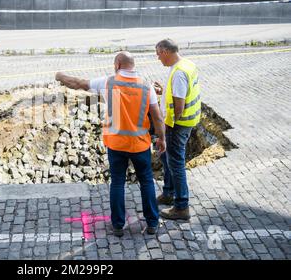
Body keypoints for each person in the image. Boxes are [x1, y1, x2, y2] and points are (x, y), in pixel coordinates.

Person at [55, 51, 166, 236]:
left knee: (117, 183)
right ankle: (152, 223)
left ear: (117, 65)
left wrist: (59, 75)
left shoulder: (109, 82)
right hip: (140, 145)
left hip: (116, 144)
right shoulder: (147, 86)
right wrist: (162, 138)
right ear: (133, 65)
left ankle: (117, 225)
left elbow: (79, 83)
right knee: (146, 181)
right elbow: (157, 117)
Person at [154, 39, 201, 220]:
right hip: (185, 123)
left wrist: (166, 127)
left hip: (177, 126)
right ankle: (168, 193)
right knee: (167, 157)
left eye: (159, 54)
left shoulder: (179, 73)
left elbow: (179, 107)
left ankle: (181, 206)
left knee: (176, 164)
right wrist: (164, 91)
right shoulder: (186, 65)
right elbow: (180, 93)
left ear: (166, 51)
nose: (158, 58)